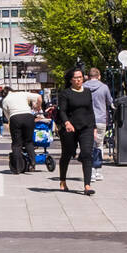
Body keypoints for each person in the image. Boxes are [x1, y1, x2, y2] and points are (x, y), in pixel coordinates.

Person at [56, 68, 96, 196]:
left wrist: (94, 127)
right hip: (70, 129)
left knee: (87, 154)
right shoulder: (65, 93)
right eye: (76, 78)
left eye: (81, 77)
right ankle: (62, 180)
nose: (79, 80)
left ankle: (87, 185)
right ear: (70, 80)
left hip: (86, 127)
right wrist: (67, 123)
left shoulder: (88, 92)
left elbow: (90, 110)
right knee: (67, 154)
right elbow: (62, 111)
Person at [82, 67, 114, 182]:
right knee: (99, 145)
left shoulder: (83, 87)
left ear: (88, 76)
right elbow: (110, 102)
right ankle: (98, 171)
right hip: (100, 119)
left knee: (88, 146)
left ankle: (89, 173)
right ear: (99, 76)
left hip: (87, 120)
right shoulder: (104, 87)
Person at [2, 86, 43, 173]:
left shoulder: (5, 100)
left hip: (15, 118)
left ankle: (17, 168)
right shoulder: (22, 93)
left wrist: (12, 122)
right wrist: (38, 107)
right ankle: (33, 162)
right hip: (28, 117)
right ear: (12, 90)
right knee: (28, 141)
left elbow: (7, 116)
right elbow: (39, 97)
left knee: (17, 144)